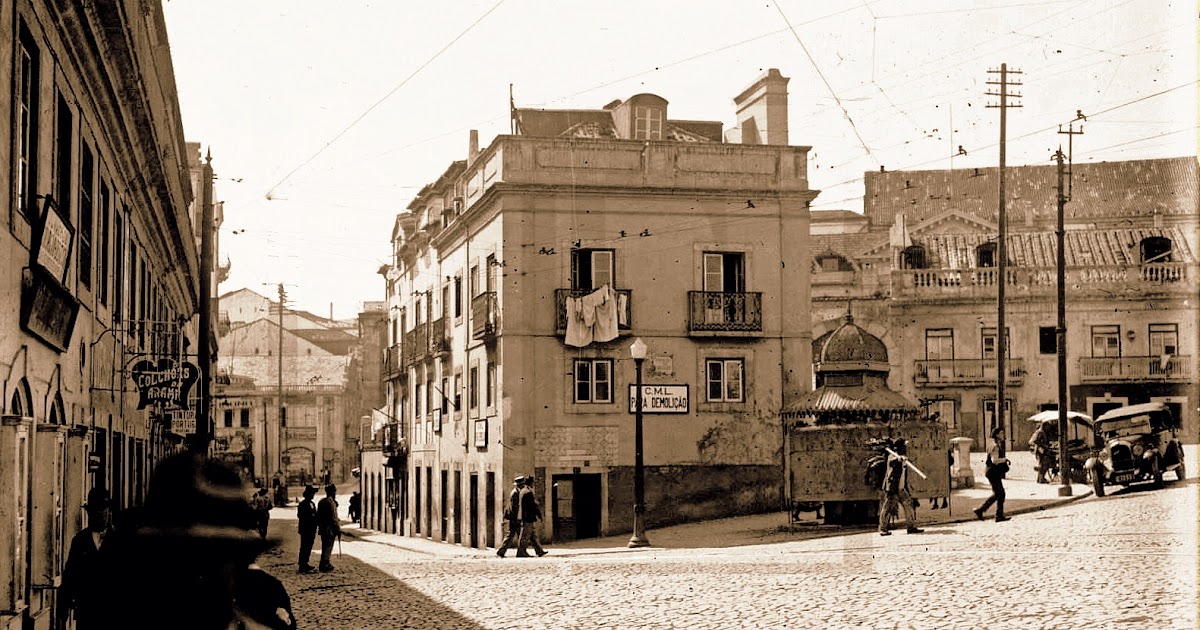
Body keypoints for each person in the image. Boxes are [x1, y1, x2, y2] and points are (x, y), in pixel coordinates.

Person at [100, 451, 295, 630]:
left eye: (216, 562)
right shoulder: (122, 603)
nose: (200, 583)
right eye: (185, 561)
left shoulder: (267, 596)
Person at [60, 487, 113, 630]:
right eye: (94, 509)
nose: (98, 513)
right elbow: (69, 575)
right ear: (88, 512)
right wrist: (63, 611)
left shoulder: (120, 541)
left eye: (102, 508)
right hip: (87, 613)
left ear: (109, 511)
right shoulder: (80, 540)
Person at [878, 439, 923, 536]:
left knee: (909, 506)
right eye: (904, 446)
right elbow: (891, 462)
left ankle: (911, 527)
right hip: (892, 489)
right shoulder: (892, 456)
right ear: (900, 448)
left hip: (901, 489)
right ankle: (883, 529)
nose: (905, 448)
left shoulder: (903, 458)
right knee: (888, 508)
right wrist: (898, 459)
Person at [975, 426, 1011, 522]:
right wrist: (1005, 459)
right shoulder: (995, 446)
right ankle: (982, 510)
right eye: (1002, 433)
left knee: (1000, 494)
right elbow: (995, 460)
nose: (1003, 435)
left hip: (992, 472)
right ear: (997, 435)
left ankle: (998, 515)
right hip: (993, 472)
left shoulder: (994, 445)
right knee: (999, 493)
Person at [516, 475, 547, 557]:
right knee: (525, 536)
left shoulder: (523, 491)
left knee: (533, 536)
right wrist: (539, 515)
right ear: (530, 483)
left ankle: (539, 551)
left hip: (526, 517)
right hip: (528, 517)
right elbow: (533, 506)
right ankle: (521, 552)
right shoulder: (528, 492)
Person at [496, 476, 524, 558]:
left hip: (514, 518)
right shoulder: (515, 493)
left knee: (514, 535)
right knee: (513, 535)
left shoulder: (516, 492)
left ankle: (502, 551)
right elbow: (514, 507)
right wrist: (517, 518)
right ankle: (502, 551)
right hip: (514, 518)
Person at [316, 483, 341, 572]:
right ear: (333, 492)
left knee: (324, 546)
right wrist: (338, 529)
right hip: (330, 529)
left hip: (323, 528)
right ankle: (325, 564)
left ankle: (324, 563)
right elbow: (334, 517)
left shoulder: (321, 501)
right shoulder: (331, 502)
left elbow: (318, 516)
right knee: (328, 547)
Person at [296, 485, 318, 573]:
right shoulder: (302, 504)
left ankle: (306, 563)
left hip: (312, 529)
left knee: (309, 546)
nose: (313, 495)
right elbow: (300, 516)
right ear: (307, 494)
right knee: (304, 546)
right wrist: (311, 517)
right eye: (312, 493)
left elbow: (315, 515)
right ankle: (302, 565)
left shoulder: (312, 504)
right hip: (306, 529)